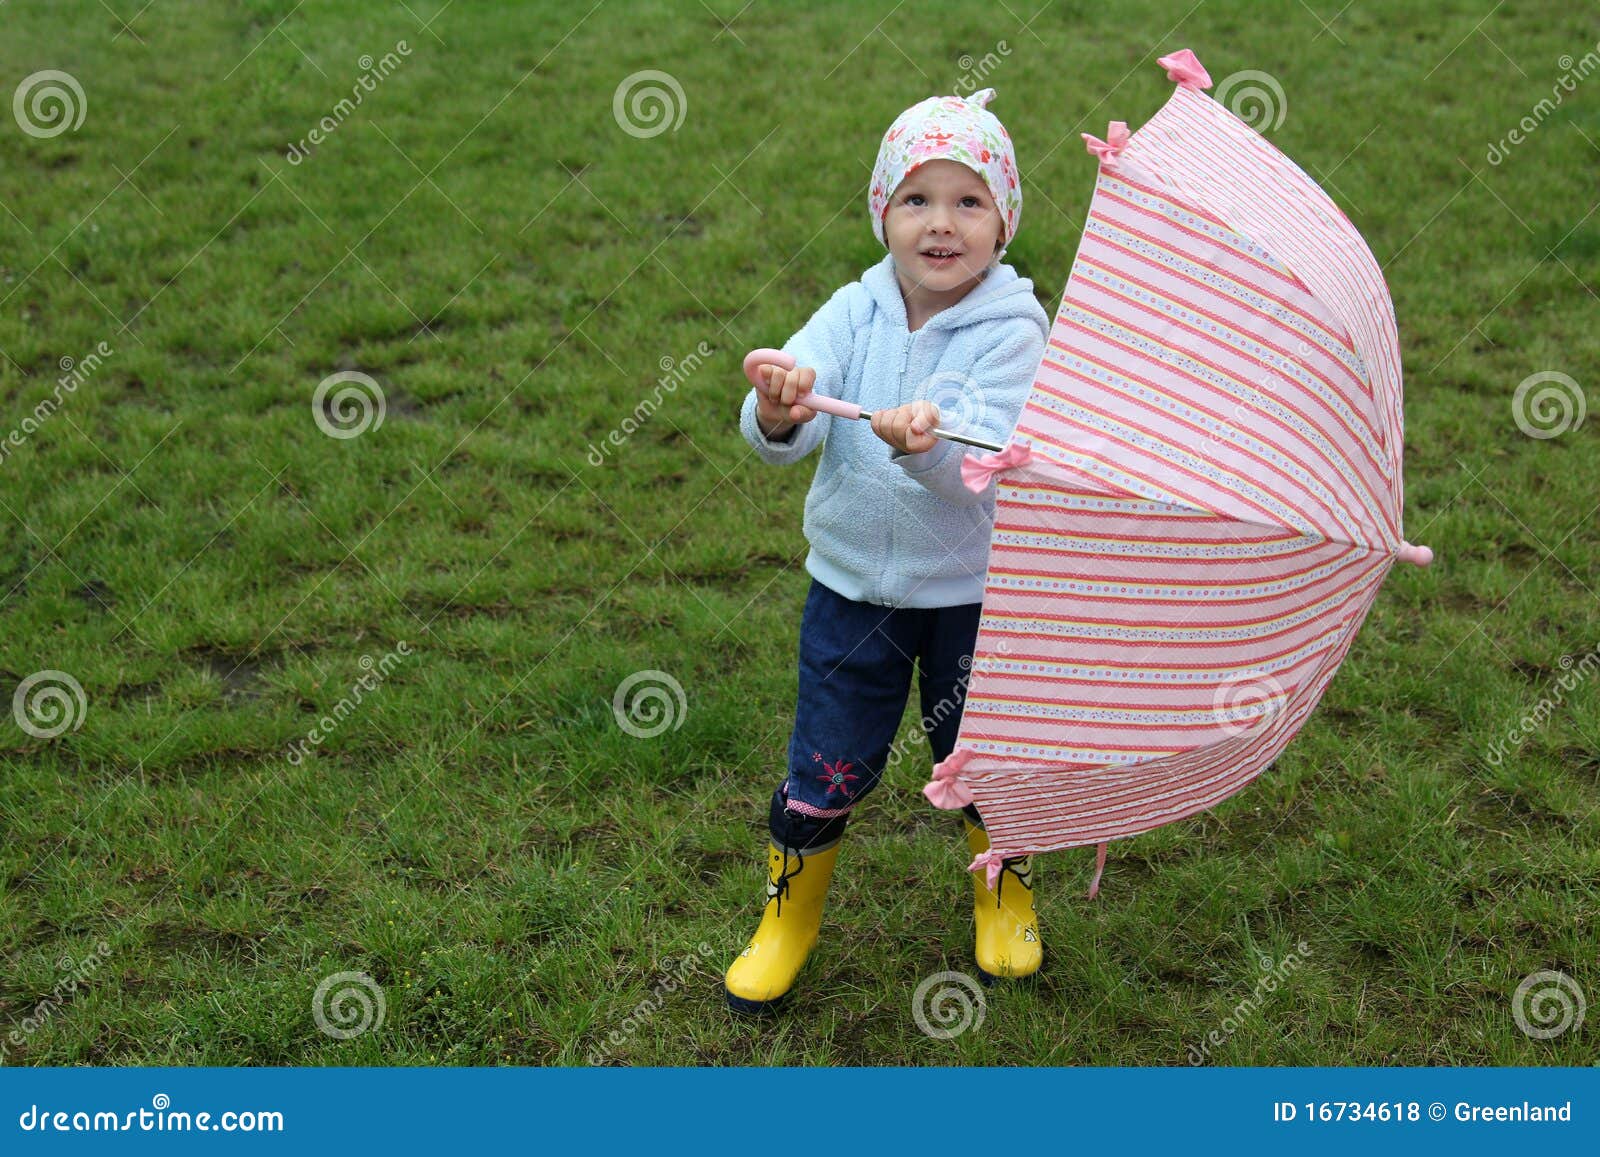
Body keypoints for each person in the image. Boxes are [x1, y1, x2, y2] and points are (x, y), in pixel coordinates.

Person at [725, 89, 1050, 1013]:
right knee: (826, 758)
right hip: (853, 587)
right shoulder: (855, 308)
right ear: (882, 213)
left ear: (1003, 220)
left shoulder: (1016, 330)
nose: (940, 224)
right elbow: (792, 391)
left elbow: (988, 462)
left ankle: (1003, 890)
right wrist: (778, 405)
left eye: (968, 201)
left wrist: (930, 446)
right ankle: (789, 914)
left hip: (972, 592)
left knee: (979, 751)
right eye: (916, 200)